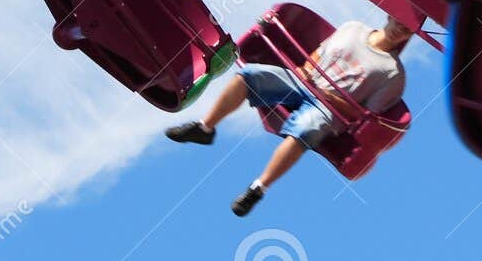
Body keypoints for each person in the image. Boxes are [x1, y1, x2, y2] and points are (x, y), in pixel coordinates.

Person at [164, 14, 411, 215]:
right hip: (304, 80)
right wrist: (306, 70)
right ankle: (205, 128)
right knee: (248, 75)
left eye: (407, 29)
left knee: (305, 129)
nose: (400, 29)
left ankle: (257, 188)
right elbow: (320, 51)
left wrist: (332, 97)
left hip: (328, 108)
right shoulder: (353, 28)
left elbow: (362, 114)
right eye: (400, 21)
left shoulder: (393, 74)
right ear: (390, 14)